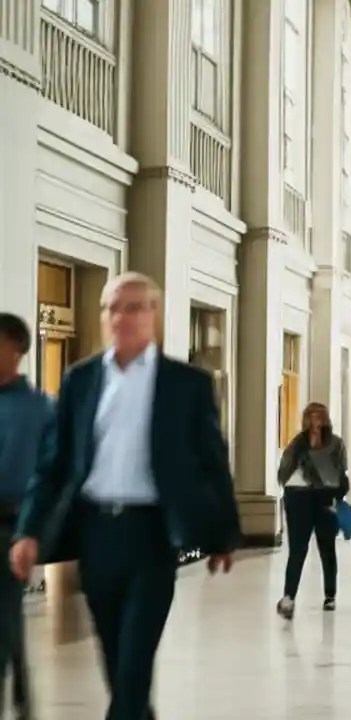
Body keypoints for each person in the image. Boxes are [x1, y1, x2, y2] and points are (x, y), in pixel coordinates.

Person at [11, 272, 241, 720]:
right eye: (111, 307)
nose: (120, 316)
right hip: (96, 535)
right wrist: (29, 531)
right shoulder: (81, 381)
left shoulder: (186, 384)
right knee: (118, 664)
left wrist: (224, 534)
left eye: (133, 307)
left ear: (154, 314)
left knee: (134, 664)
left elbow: (212, 463)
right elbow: (54, 465)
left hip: (152, 536)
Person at [0, 314, 52, 718]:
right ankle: (19, 684)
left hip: (12, 525)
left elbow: (50, 471)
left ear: (17, 349)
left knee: (5, 612)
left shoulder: (38, 409)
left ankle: (17, 687)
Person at [275, 402, 349, 619]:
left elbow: (341, 470)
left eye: (321, 418)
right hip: (297, 496)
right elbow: (284, 471)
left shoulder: (335, 444)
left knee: (326, 547)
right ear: (306, 420)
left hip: (325, 496)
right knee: (298, 548)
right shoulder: (298, 443)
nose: (316, 423)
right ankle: (288, 597)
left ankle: (330, 594)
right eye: (312, 418)